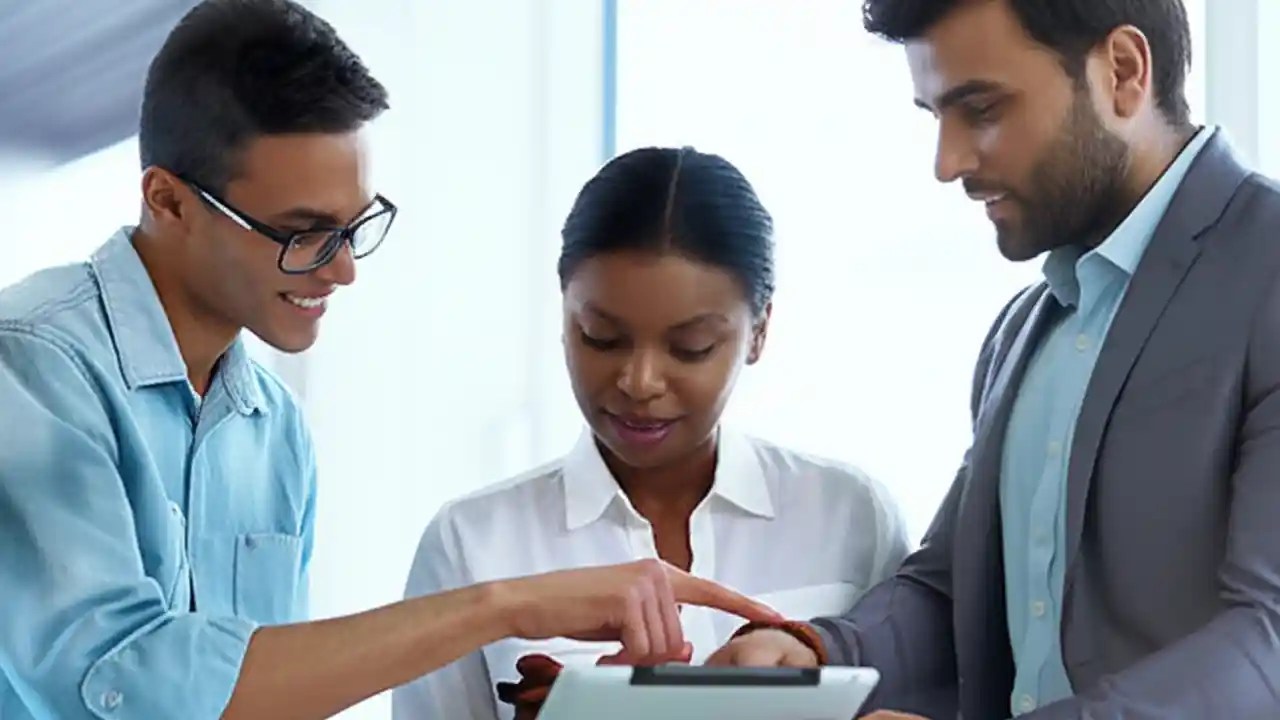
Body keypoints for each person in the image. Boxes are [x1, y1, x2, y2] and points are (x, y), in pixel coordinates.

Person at [0, 3, 780, 719]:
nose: (342, 270)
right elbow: (121, 683)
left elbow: (269, 693)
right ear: (167, 201)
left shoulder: (273, 428)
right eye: (302, 233)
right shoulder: (33, 369)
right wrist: (501, 608)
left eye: (353, 226)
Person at [706, 0, 1280, 718]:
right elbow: (955, 593)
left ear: (1123, 72)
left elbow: (1269, 645)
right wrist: (823, 653)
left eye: (980, 109)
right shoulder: (1026, 328)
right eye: (935, 116)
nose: (948, 163)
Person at [392, 146, 913, 719]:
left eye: (690, 349)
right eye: (600, 337)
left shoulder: (850, 514)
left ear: (758, 333)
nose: (639, 382)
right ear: (564, 314)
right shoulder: (472, 543)